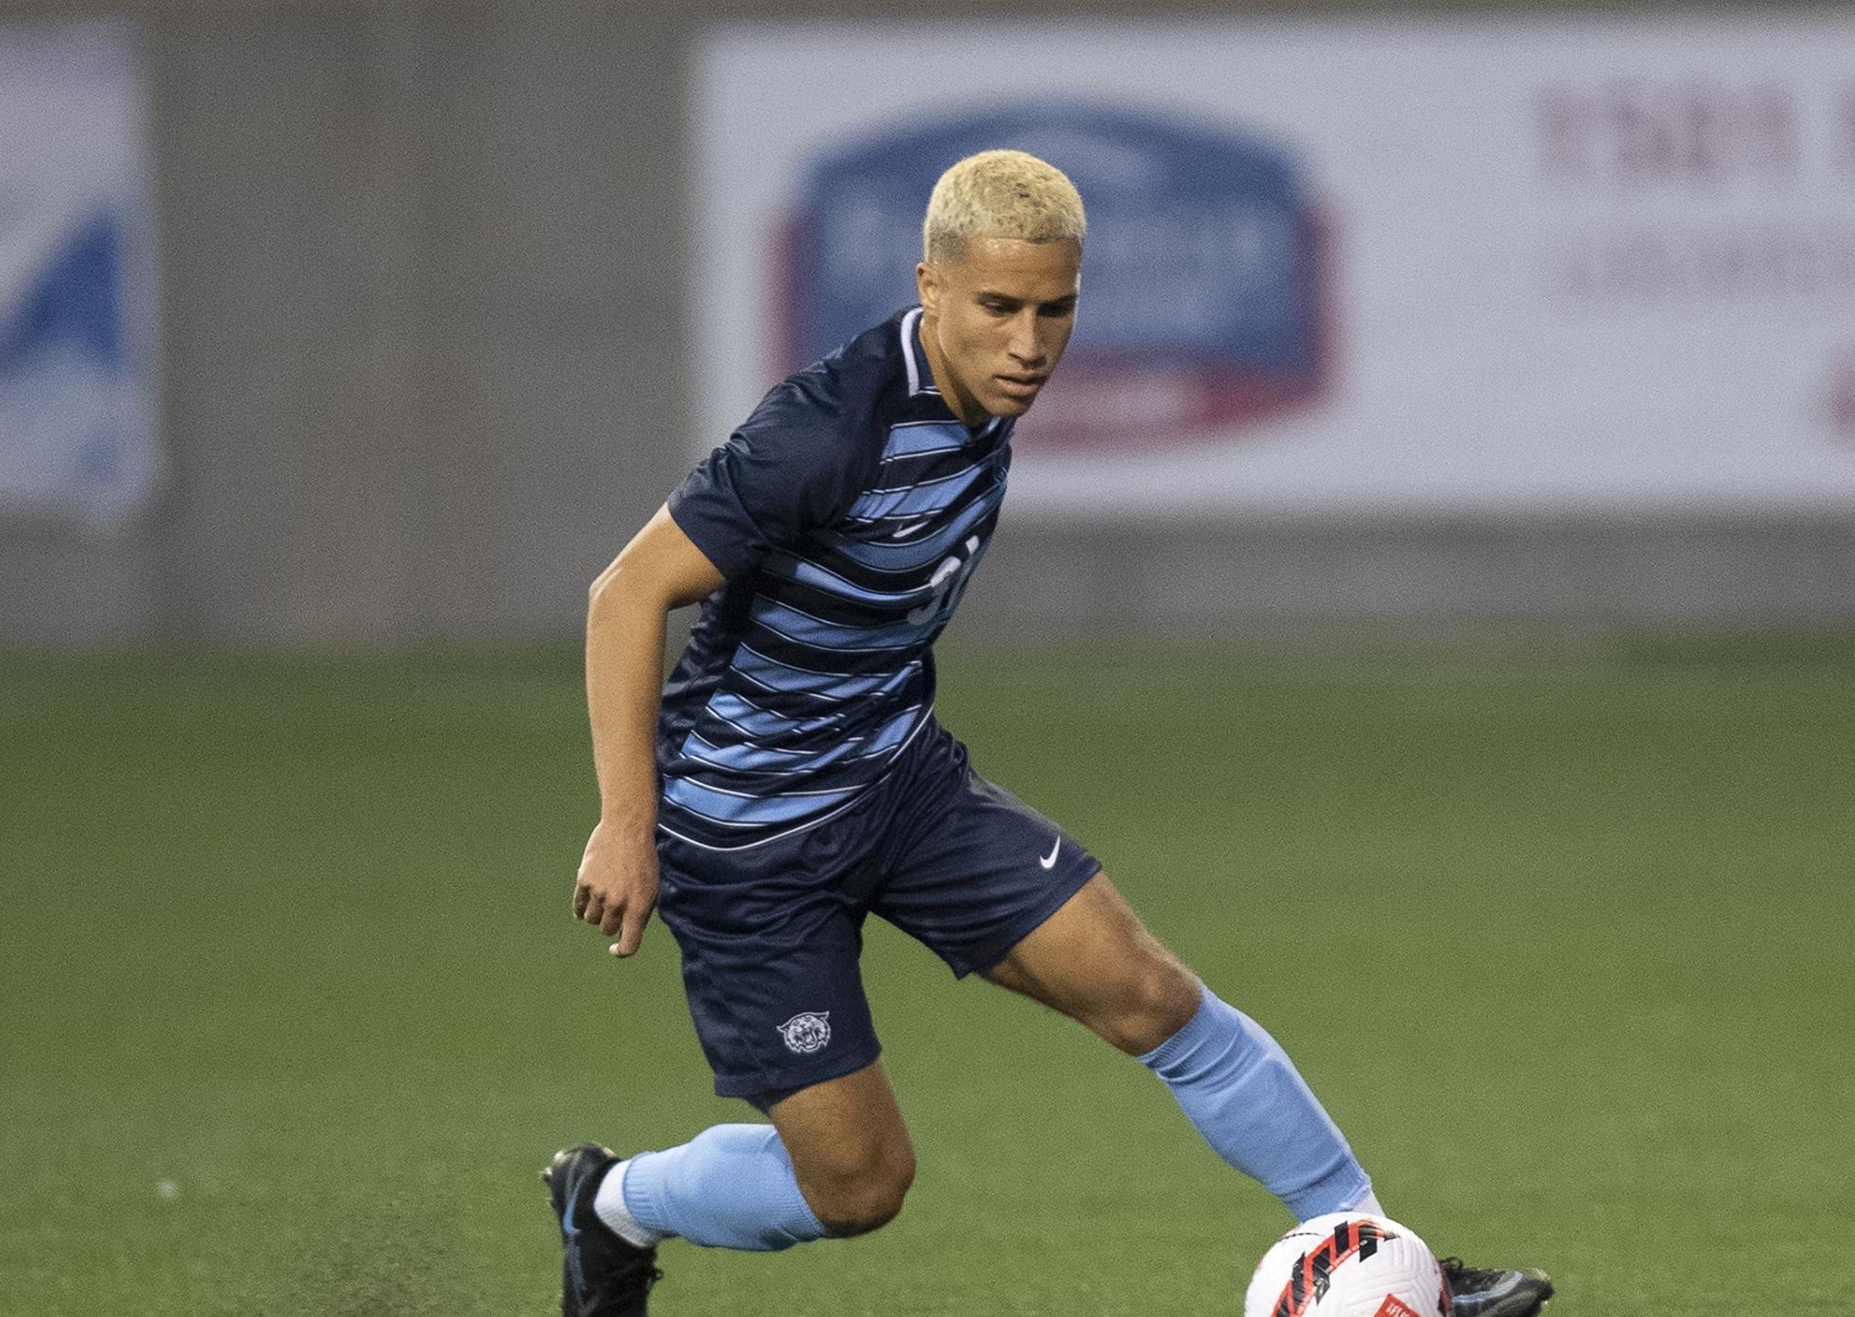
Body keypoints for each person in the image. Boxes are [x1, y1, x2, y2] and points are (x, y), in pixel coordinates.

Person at [547, 149, 1554, 1317]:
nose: (1030, 343)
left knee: (1151, 995)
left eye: (1055, 310)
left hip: (898, 782)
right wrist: (628, 824)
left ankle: (1387, 1258)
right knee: (860, 1183)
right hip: (749, 838)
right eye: (998, 309)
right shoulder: (822, 433)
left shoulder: (982, 398)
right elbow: (624, 595)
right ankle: (609, 1205)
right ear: (929, 286)